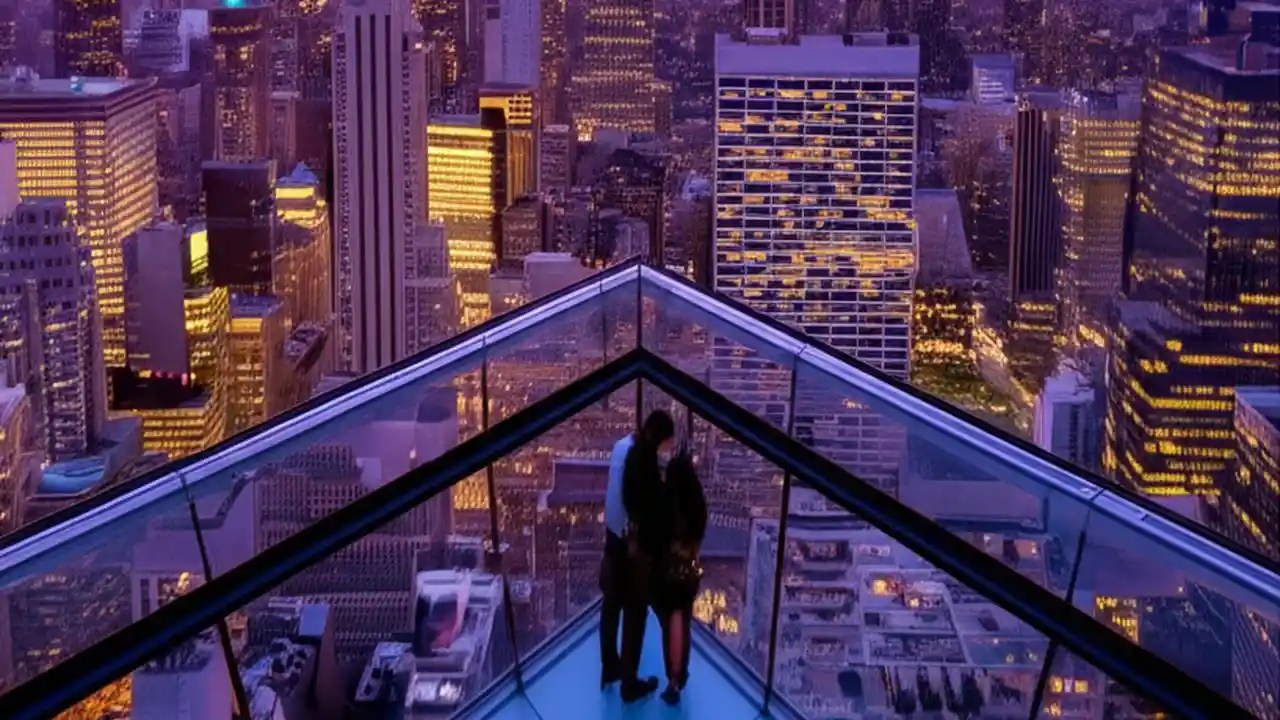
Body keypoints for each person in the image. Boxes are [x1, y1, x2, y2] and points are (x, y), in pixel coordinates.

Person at [601, 410, 675, 702]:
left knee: (610, 606)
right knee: (635, 612)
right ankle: (629, 683)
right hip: (632, 545)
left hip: (612, 534)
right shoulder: (643, 462)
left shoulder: (621, 448)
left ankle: (610, 666)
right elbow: (644, 506)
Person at [650, 445, 706, 705]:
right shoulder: (697, 504)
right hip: (688, 574)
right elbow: (697, 539)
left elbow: (658, 538)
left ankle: (674, 677)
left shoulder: (664, 502)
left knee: (670, 624)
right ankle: (678, 677)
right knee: (682, 622)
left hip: (666, 574)